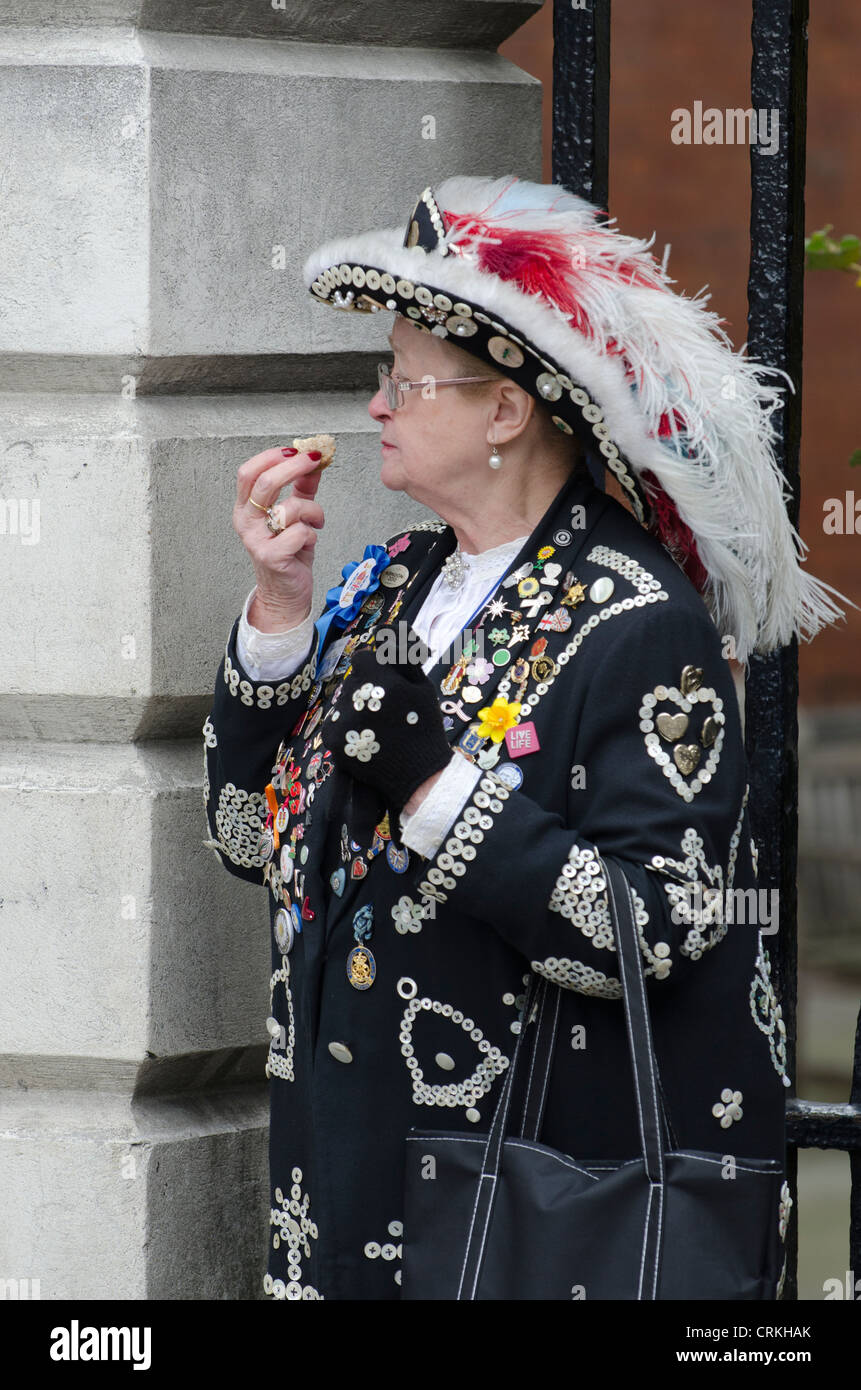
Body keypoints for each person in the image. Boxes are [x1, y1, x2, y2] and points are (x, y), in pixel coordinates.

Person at [201, 176, 849, 1300]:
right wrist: (281, 609)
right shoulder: (392, 580)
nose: (376, 407)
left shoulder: (639, 621)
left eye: (405, 380)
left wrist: (436, 789)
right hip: (339, 1191)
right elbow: (247, 836)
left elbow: (654, 925)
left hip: (520, 1211)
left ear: (506, 412)